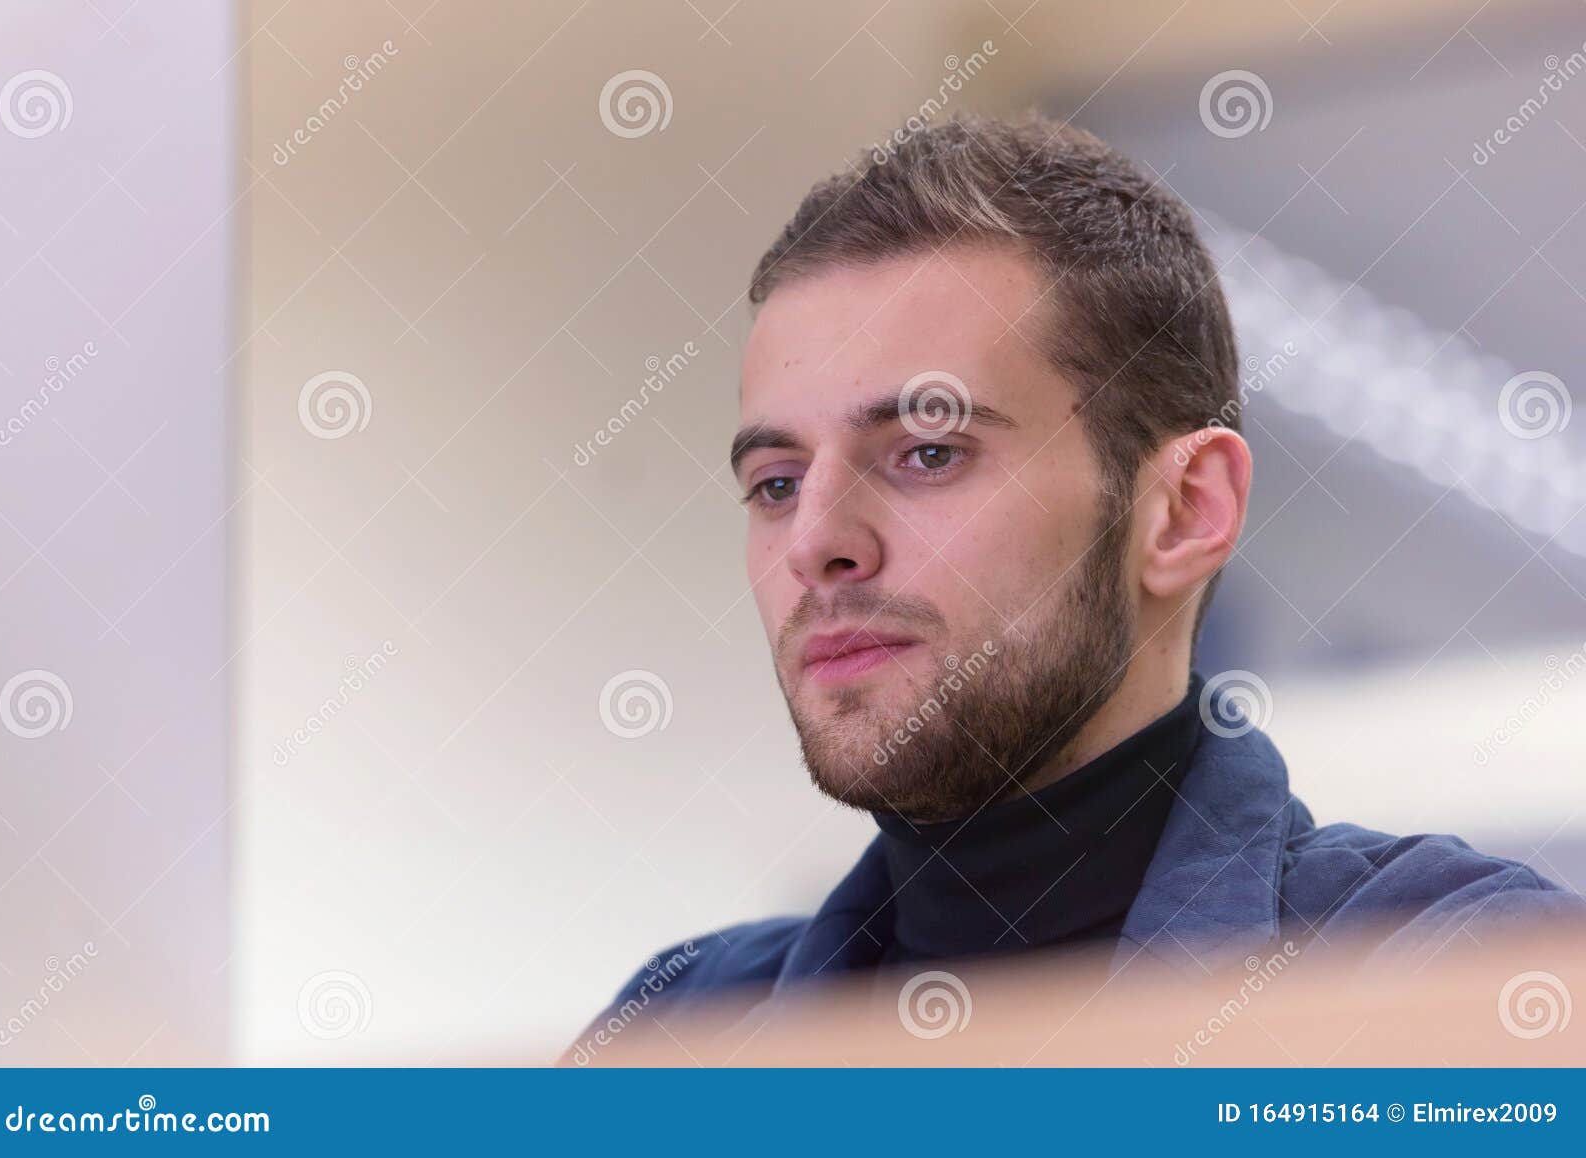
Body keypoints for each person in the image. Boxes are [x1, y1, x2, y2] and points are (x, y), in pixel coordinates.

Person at [577, 113, 1585, 1055]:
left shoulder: (1460, 979)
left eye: (928, 454)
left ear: (1184, 510)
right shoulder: (679, 1033)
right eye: (778, 482)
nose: (815, 543)